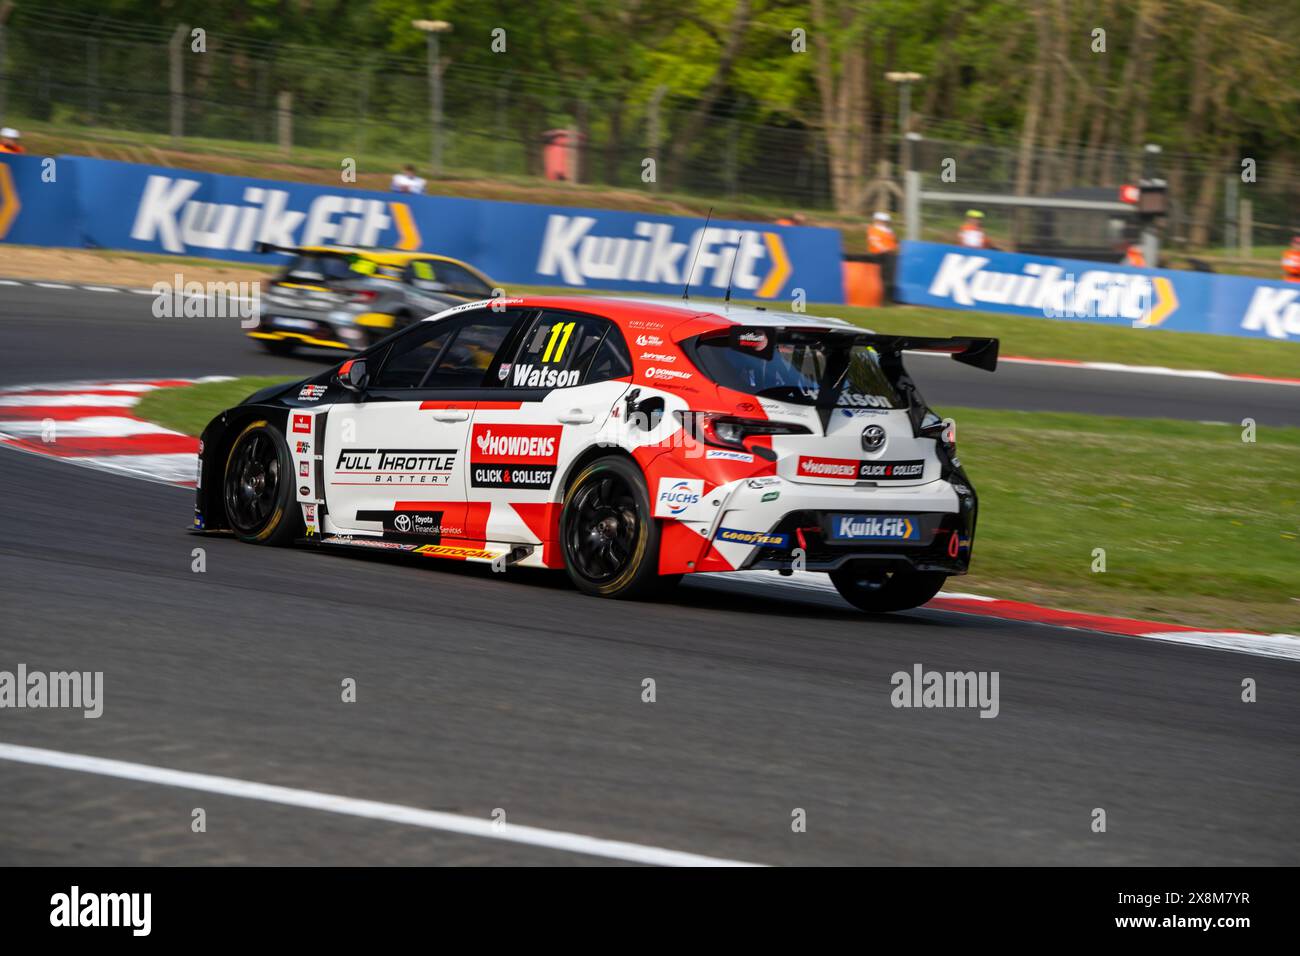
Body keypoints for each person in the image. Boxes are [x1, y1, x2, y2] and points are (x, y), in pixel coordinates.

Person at [866, 211, 899, 302]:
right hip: (878, 255)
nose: (883, 222)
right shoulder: (873, 229)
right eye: (881, 221)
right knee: (880, 276)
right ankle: (880, 298)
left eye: (885, 221)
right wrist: (884, 249)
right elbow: (874, 242)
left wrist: (893, 249)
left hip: (889, 254)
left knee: (889, 276)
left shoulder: (889, 231)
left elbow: (894, 242)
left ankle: (888, 297)